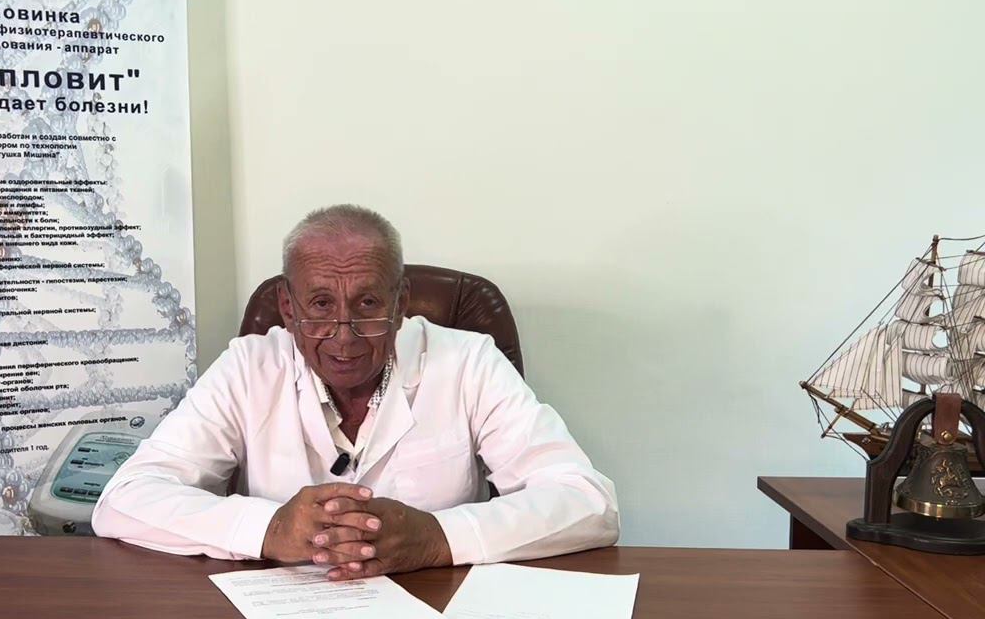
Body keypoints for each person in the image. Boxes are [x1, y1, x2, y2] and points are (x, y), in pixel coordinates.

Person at [93, 205, 618, 579]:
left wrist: (437, 538)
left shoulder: (468, 362)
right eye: (321, 304)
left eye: (367, 303)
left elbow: (589, 502)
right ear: (288, 307)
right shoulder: (249, 366)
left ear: (401, 302)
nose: (343, 336)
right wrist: (270, 528)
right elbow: (125, 498)